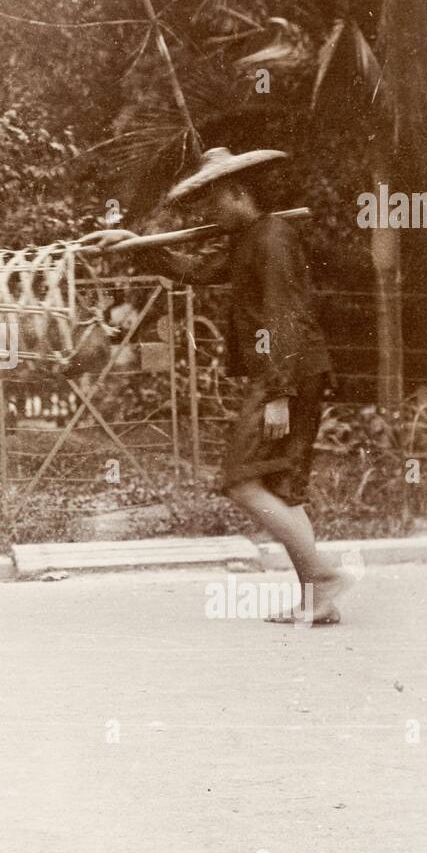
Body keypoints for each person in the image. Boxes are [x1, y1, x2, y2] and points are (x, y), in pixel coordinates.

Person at [161, 146, 350, 624]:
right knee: (281, 488)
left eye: (212, 201)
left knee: (241, 481)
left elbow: (284, 317)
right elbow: (197, 272)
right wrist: (141, 249)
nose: (205, 212)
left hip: (289, 375)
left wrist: (279, 394)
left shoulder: (272, 239)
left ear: (238, 193)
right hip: (291, 373)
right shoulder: (250, 237)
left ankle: (323, 577)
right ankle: (318, 598)